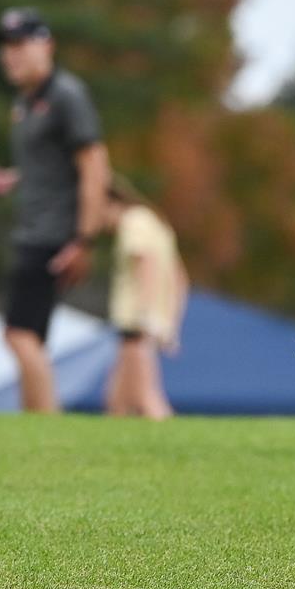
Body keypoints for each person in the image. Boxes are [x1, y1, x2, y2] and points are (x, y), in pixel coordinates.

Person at [0, 7, 110, 414]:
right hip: (33, 228)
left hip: (52, 233)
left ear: (45, 45)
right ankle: (39, 423)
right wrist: (8, 180)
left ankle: (44, 424)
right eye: (5, 48)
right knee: (28, 334)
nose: (8, 56)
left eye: (18, 45)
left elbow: (94, 165)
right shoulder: (25, 104)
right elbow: (48, 168)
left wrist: (84, 238)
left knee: (19, 334)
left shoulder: (66, 95)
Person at [101, 174, 188, 420]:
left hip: (136, 325)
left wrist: (146, 313)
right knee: (116, 402)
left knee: (147, 399)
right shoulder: (154, 223)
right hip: (145, 325)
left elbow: (145, 262)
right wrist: (171, 323)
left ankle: (175, 454)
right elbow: (180, 279)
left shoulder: (133, 222)